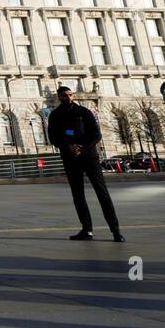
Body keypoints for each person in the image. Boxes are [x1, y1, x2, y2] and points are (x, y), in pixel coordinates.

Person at [47, 86, 124, 242]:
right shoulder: (55, 115)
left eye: (70, 95)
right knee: (78, 195)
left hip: (89, 157)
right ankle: (87, 229)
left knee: (102, 193)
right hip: (70, 158)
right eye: (64, 96)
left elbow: (97, 134)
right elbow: (53, 137)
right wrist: (68, 146)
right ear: (59, 97)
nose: (68, 98)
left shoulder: (84, 112)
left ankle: (115, 230)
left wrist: (82, 147)